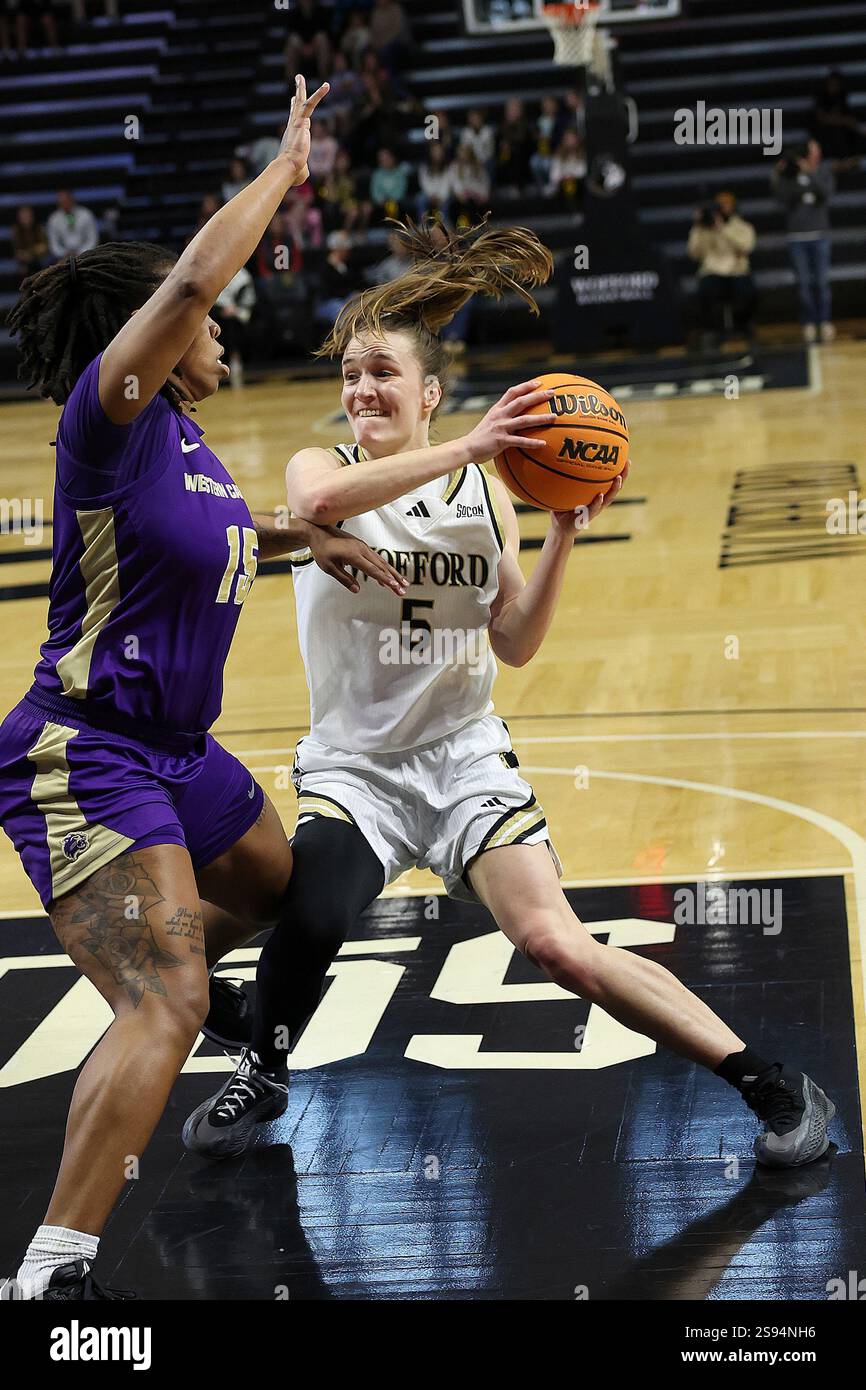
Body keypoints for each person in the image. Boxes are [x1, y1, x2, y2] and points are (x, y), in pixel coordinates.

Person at [182, 217, 835, 1176]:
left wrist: (564, 531)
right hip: (356, 770)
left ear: (430, 393)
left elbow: (515, 642)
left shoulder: (486, 498)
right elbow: (316, 513)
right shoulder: (323, 471)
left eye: (383, 374)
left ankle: (770, 1082)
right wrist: (476, 444)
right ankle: (266, 1067)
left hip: (462, 761)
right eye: (352, 374)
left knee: (557, 945)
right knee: (313, 911)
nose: (362, 388)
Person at [0, 77, 404, 1304]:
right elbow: (183, 287)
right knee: (168, 996)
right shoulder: (107, 424)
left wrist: (299, 538)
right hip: (86, 750)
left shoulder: (185, 443)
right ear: (158, 340)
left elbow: (210, 537)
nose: (223, 334)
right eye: (206, 325)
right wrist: (286, 170)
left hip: (179, 752)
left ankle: (158, 982)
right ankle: (50, 1277)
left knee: (287, 893)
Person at [771, 139, 835, 344]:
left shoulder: (823, 172)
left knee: (822, 283)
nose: (813, 154)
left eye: (815, 150)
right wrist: (781, 174)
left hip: (820, 235)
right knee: (804, 284)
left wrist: (809, 173)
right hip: (797, 237)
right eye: (810, 151)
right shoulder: (789, 174)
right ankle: (808, 322)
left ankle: (824, 321)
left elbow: (825, 194)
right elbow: (782, 197)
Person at [687, 190, 757, 347]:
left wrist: (723, 230)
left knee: (748, 292)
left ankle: (743, 326)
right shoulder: (703, 228)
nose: (724, 208)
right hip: (713, 270)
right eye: (721, 205)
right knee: (705, 291)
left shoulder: (742, 226)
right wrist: (698, 227)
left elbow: (745, 247)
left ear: (733, 206)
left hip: (737, 270)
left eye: (727, 204)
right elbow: (694, 253)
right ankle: (712, 330)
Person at [810, 70, 862, 169]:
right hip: (824, 130)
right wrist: (843, 120)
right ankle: (841, 162)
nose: (834, 86)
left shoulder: (841, 96)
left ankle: (850, 161)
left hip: (840, 129)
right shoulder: (821, 97)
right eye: (832, 84)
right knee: (837, 134)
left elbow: (845, 115)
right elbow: (822, 118)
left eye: (837, 84)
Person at [46, 190, 99, 261]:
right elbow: (53, 243)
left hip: (86, 255)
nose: (64, 204)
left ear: (72, 200)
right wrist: (63, 253)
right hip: (63, 257)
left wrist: (81, 253)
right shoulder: (53, 219)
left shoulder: (86, 214)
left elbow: (92, 239)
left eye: (66, 201)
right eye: (61, 202)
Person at [11, 204, 48, 278]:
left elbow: (44, 247)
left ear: (32, 217)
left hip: (39, 260)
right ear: (19, 218)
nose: (26, 219)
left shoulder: (38, 229)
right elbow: (17, 252)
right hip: (24, 262)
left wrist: (30, 253)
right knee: (23, 269)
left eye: (28, 216)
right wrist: (28, 254)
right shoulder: (16, 231)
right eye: (23, 217)